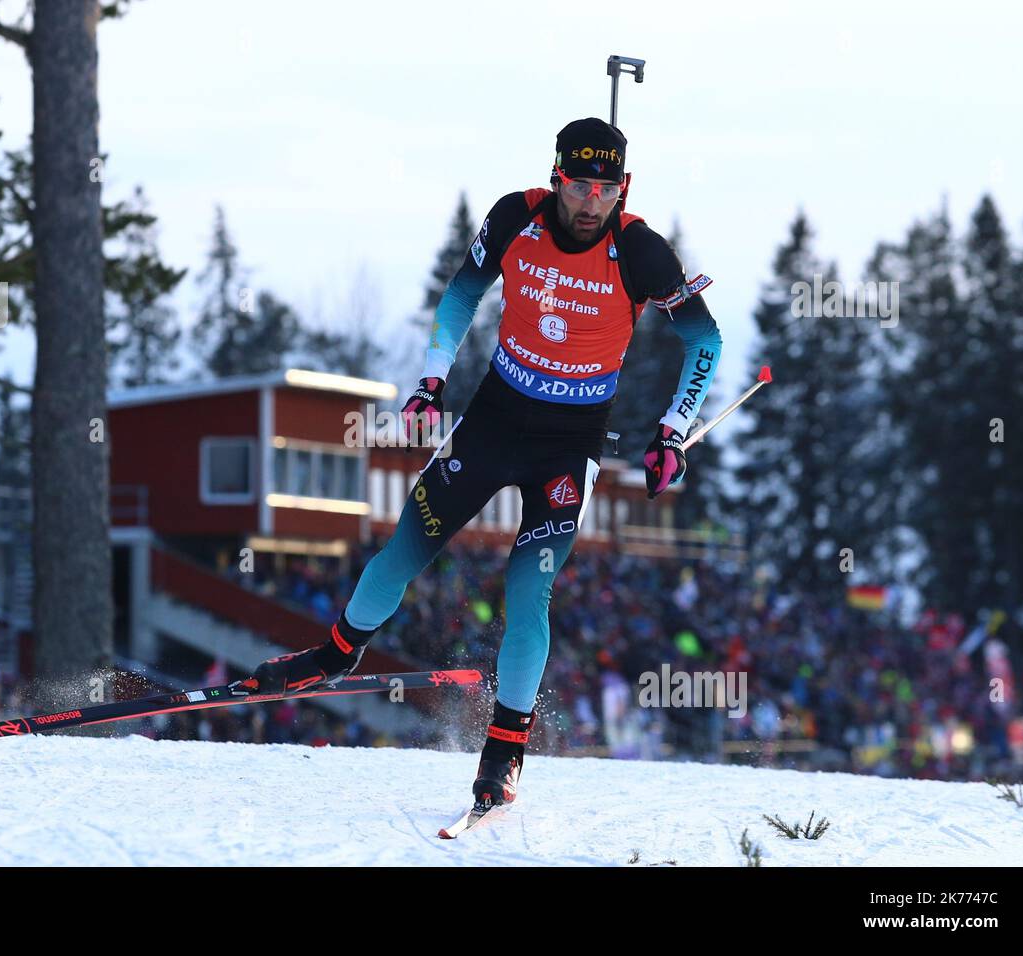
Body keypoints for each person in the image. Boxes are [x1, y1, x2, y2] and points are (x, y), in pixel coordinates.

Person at [240, 117, 723, 810]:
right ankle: (334, 655)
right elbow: (463, 293)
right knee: (402, 551)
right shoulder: (513, 218)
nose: (592, 202)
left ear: (625, 187)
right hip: (495, 419)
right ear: (556, 179)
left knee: (530, 595)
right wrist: (431, 380)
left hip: (570, 443)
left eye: (606, 188)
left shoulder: (641, 251)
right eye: (578, 185)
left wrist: (673, 433)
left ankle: (503, 754)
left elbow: (704, 338)